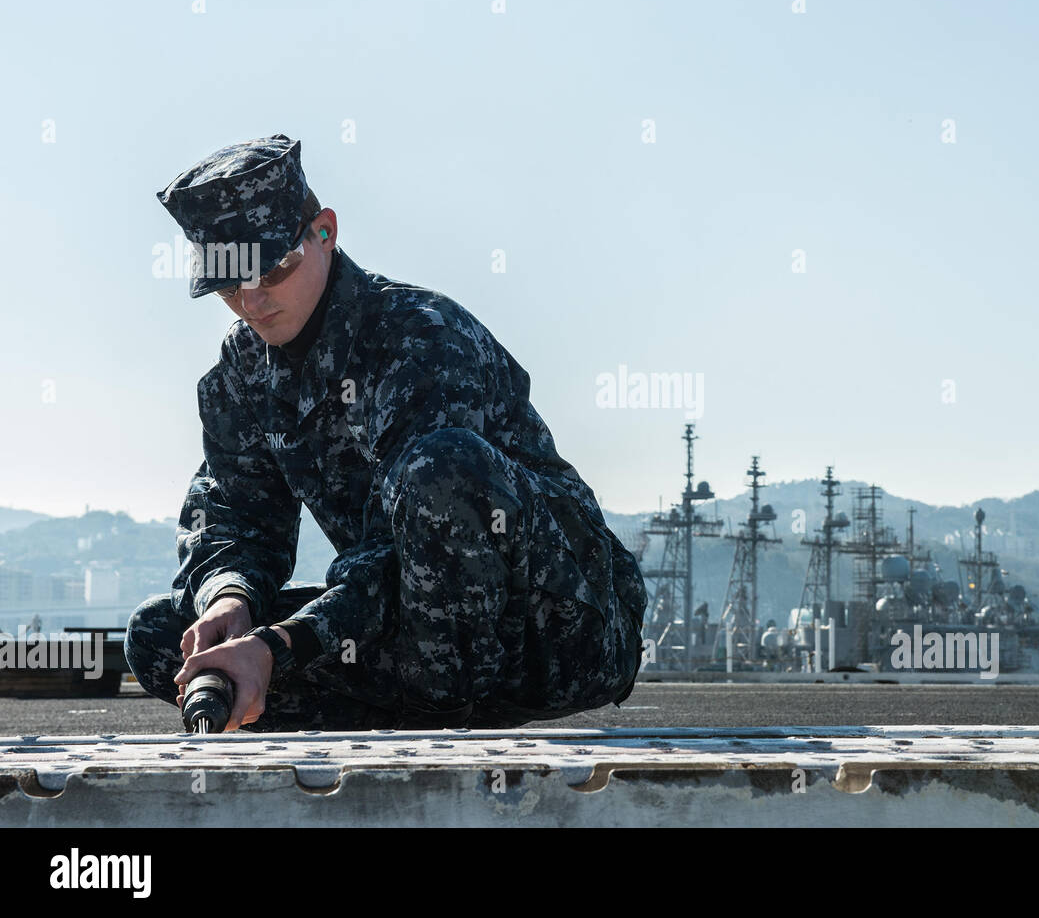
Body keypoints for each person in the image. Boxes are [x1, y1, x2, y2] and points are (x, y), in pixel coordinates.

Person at [125, 135, 647, 731]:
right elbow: (233, 516)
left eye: (272, 268)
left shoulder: (421, 338)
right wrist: (231, 600)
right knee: (163, 640)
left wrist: (281, 646)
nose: (251, 300)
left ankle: (431, 711)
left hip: (550, 635)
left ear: (324, 232)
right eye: (226, 284)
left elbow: (409, 547)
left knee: (439, 468)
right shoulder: (242, 376)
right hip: (408, 636)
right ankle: (404, 715)